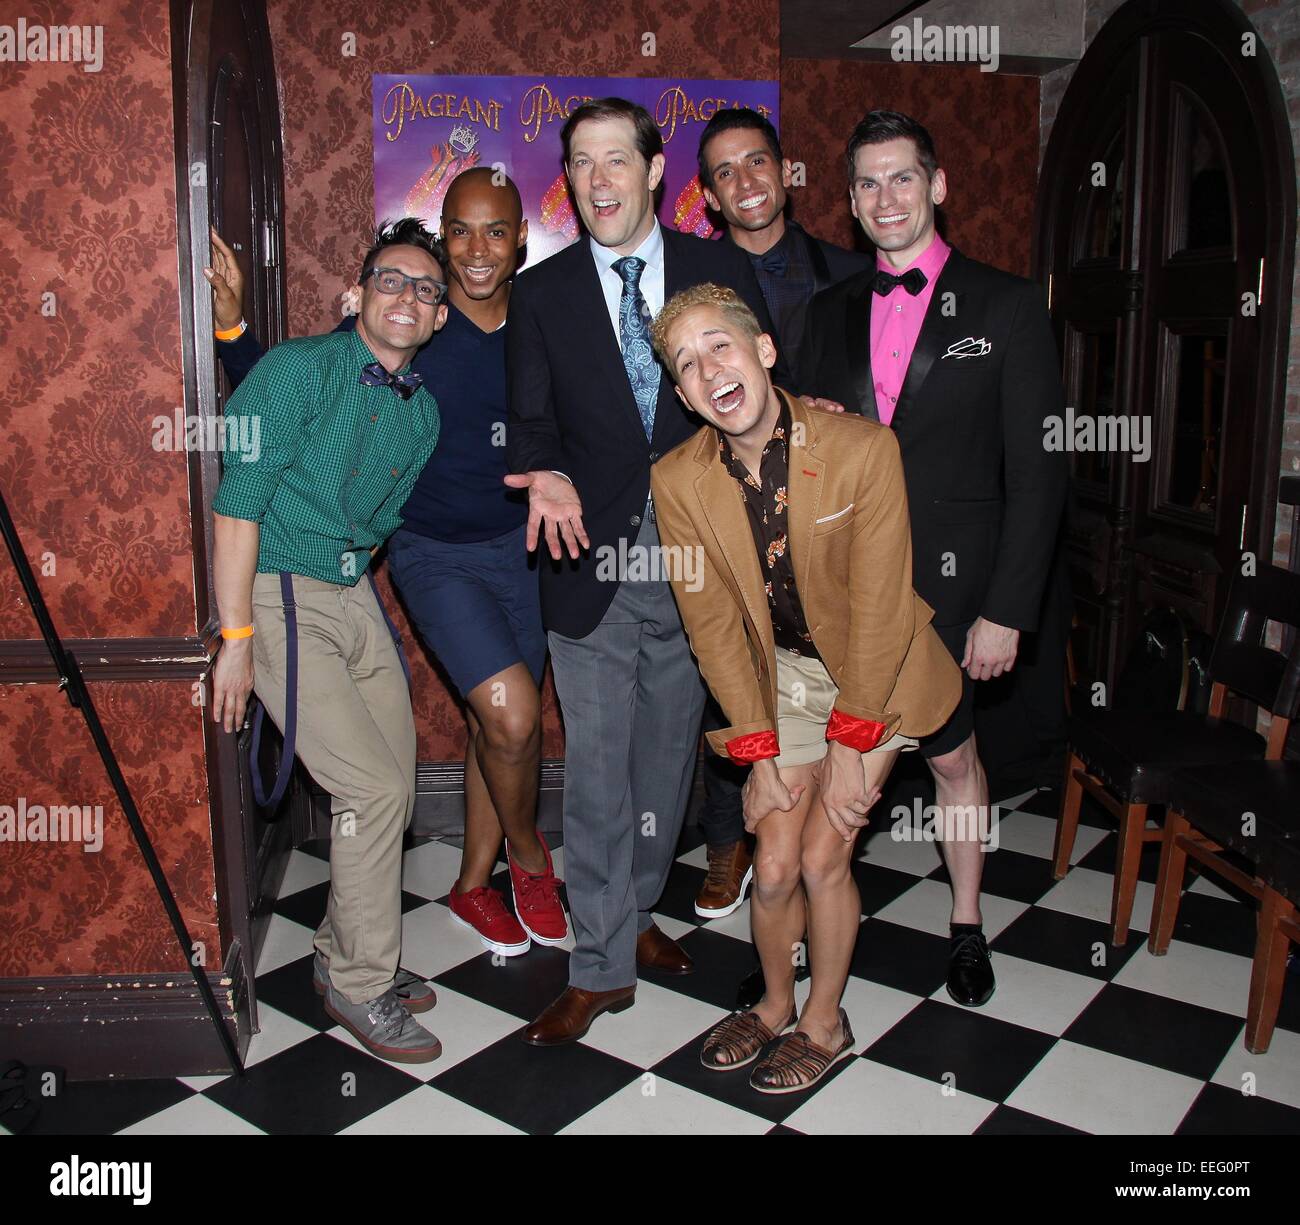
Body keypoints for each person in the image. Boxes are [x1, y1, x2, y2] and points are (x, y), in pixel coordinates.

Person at [207, 170, 567, 962]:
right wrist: (232, 332)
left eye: (496, 231)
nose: (477, 249)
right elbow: (300, 384)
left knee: (495, 724)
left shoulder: (541, 321)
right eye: (460, 230)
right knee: (512, 717)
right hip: (432, 555)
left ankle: (473, 883)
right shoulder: (408, 323)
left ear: (520, 240)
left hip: (522, 553)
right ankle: (529, 857)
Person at [505, 97, 788, 1046]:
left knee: (666, 762)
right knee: (595, 770)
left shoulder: (720, 270)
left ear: (657, 171)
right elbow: (531, 423)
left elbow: (756, 393)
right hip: (586, 560)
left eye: (616, 159)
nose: (598, 181)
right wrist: (545, 470)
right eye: (581, 163)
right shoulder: (541, 295)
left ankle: (631, 915)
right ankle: (597, 966)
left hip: (698, 560)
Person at [649, 283, 960, 1091]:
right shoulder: (677, 480)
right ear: (681, 395)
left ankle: (827, 1019)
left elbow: (883, 610)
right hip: (781, 675)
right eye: (686, 364)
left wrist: (851, 747)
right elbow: (712, 627)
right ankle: (774, 1004)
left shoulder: (864, 449)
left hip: (877, 668)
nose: (708, 369)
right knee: (776, 859)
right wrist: (758, 757)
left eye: (719, 345)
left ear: (764, 351)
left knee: (824, 854)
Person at [801, 110, 1068, 1006]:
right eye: (868, 183)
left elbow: (1038, 474)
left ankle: (965, 920)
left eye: (903, 178)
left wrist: (1008, 609)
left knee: (954, 762)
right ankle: (810, 926)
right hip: (846, 587)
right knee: (833, 762)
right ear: (849, 201)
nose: (886, 198)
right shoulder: (825, 312)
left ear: (938, 185)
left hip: (958, 587)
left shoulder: (1008, 306)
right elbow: (798, 444)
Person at [209, 218, 447, 1062]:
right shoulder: (295, 370)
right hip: (279, 590)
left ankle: (341, 946)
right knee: (370, 789)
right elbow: (237, 506)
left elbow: (379, 524)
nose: (407, 296)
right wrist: (237, 638)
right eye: (391, 280)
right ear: (358, 293)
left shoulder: (424, 416)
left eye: (425, 289)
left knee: (396, 778)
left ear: (439, 317)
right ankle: (358, 980)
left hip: (352, 594)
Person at [693, 107, 873, 999]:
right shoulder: (696, 280)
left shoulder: (851, 272)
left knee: (820, 833)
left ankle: (819, 965)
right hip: (741, 508)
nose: (746, 181)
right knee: (731, 662)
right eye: (724, 171)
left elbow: (875, 390)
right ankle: (728, 843)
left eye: (756, 161)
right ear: (709, 193)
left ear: (784, 170)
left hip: (834, 512)